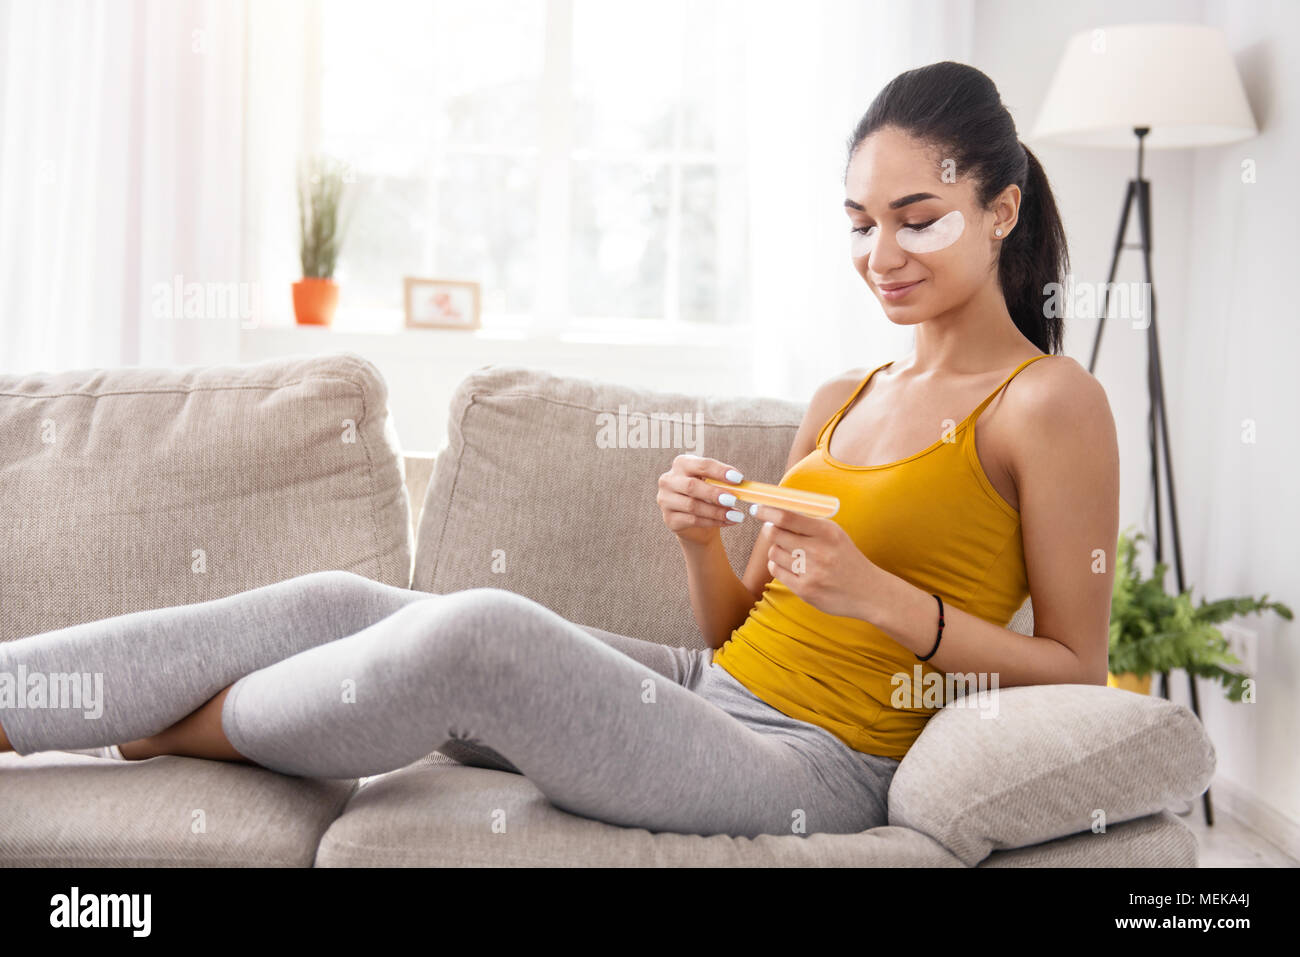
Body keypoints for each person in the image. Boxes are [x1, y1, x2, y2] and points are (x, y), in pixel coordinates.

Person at [0, 61, 1118, 840]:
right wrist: (699, 543)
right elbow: (731, 634)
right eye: (859, 223)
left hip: (820, 766)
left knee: (480, 629)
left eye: (916, 218)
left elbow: (1081, 669)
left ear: (1002, 210)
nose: (882, 253)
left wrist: (885, 602)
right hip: (704, 686)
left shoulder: (1045, 404)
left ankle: (162, 734)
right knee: (342, 598)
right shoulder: (845, 392)